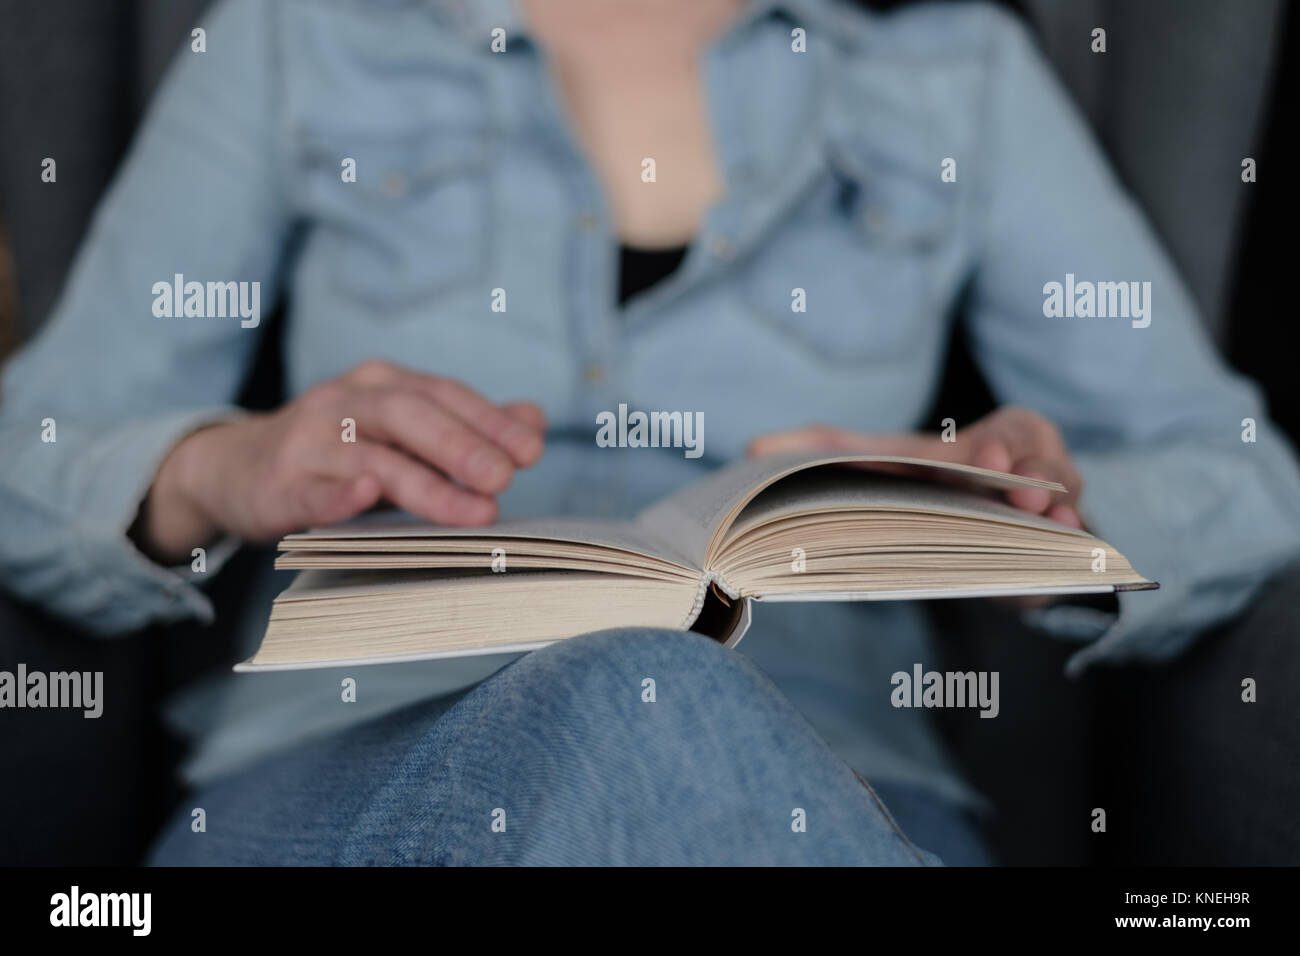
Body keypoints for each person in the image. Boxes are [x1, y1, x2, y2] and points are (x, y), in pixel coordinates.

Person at [2, 0, 1298, 865]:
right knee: (643, 689)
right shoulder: (300, 35)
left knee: (664, 704)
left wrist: (1044, 519)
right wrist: (222, 466)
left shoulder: (956, 78)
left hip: (824, 770)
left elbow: (1240, 479)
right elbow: (30, 447)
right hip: (347, 768)